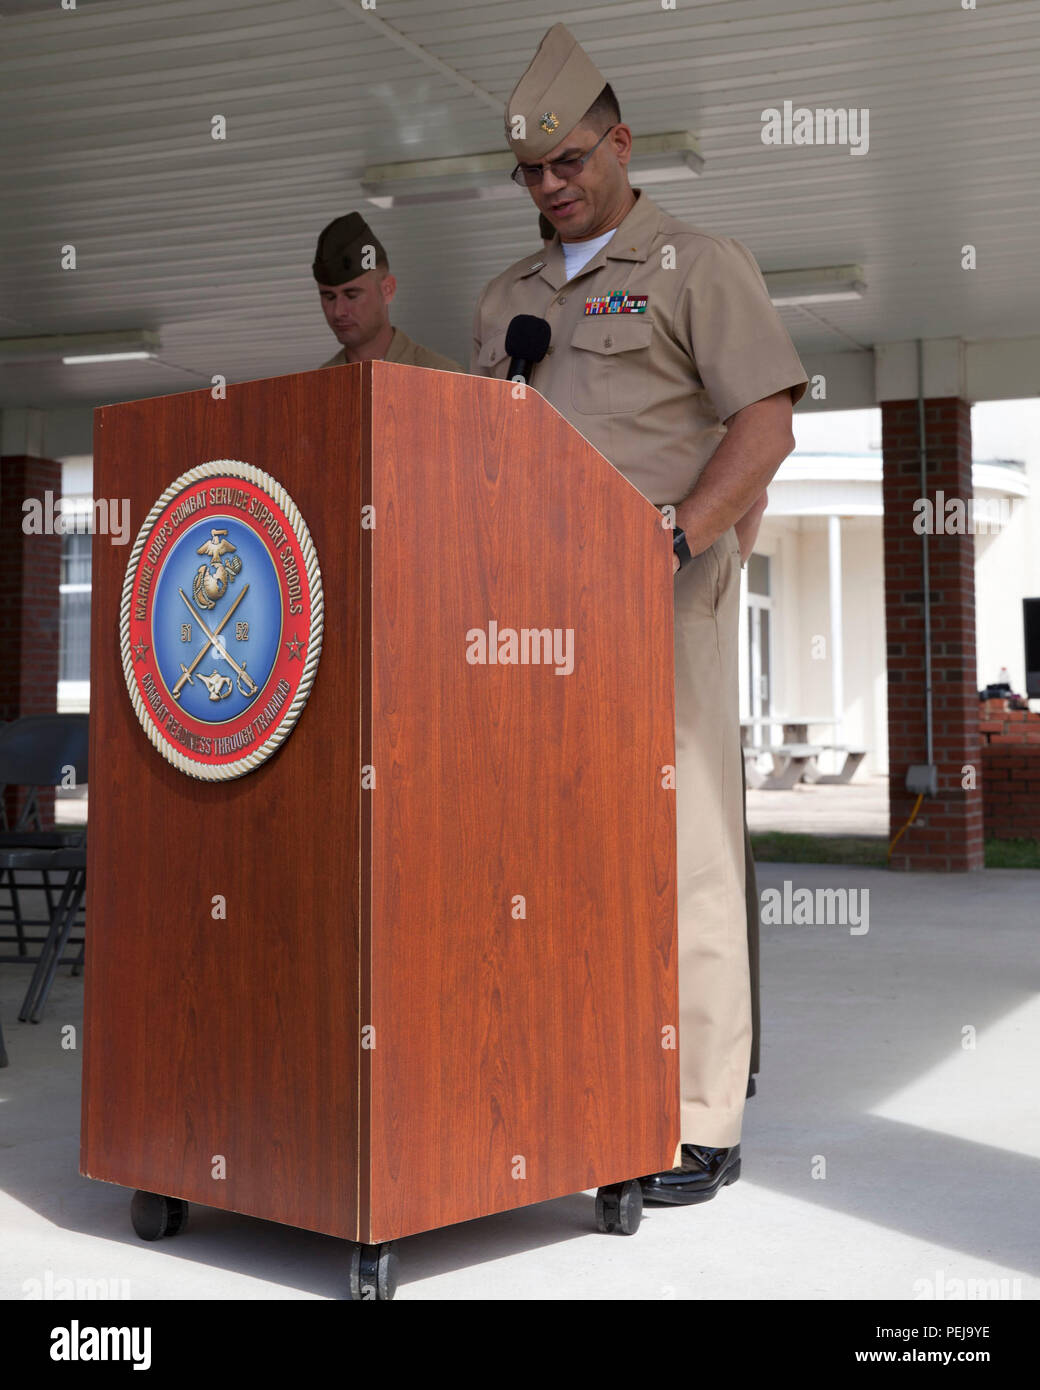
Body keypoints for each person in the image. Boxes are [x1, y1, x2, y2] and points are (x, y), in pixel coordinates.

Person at [471, 25, 807, 1204]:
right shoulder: (503, 301)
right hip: (527, 612)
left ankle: (701, 1114)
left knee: (684, 846)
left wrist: (675, 536)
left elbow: (762, 425)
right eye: (529, 171)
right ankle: (573, 1077)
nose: (549, 186)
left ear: (618, 144)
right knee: (543, 848)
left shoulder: (698, 265)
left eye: (567, 161)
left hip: (658, 596)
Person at [313, 212, 463, 372]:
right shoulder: (314, 388)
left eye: (351, 295)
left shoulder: (442, 378)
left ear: (387, 290)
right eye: (329, 297)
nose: (338, 311)